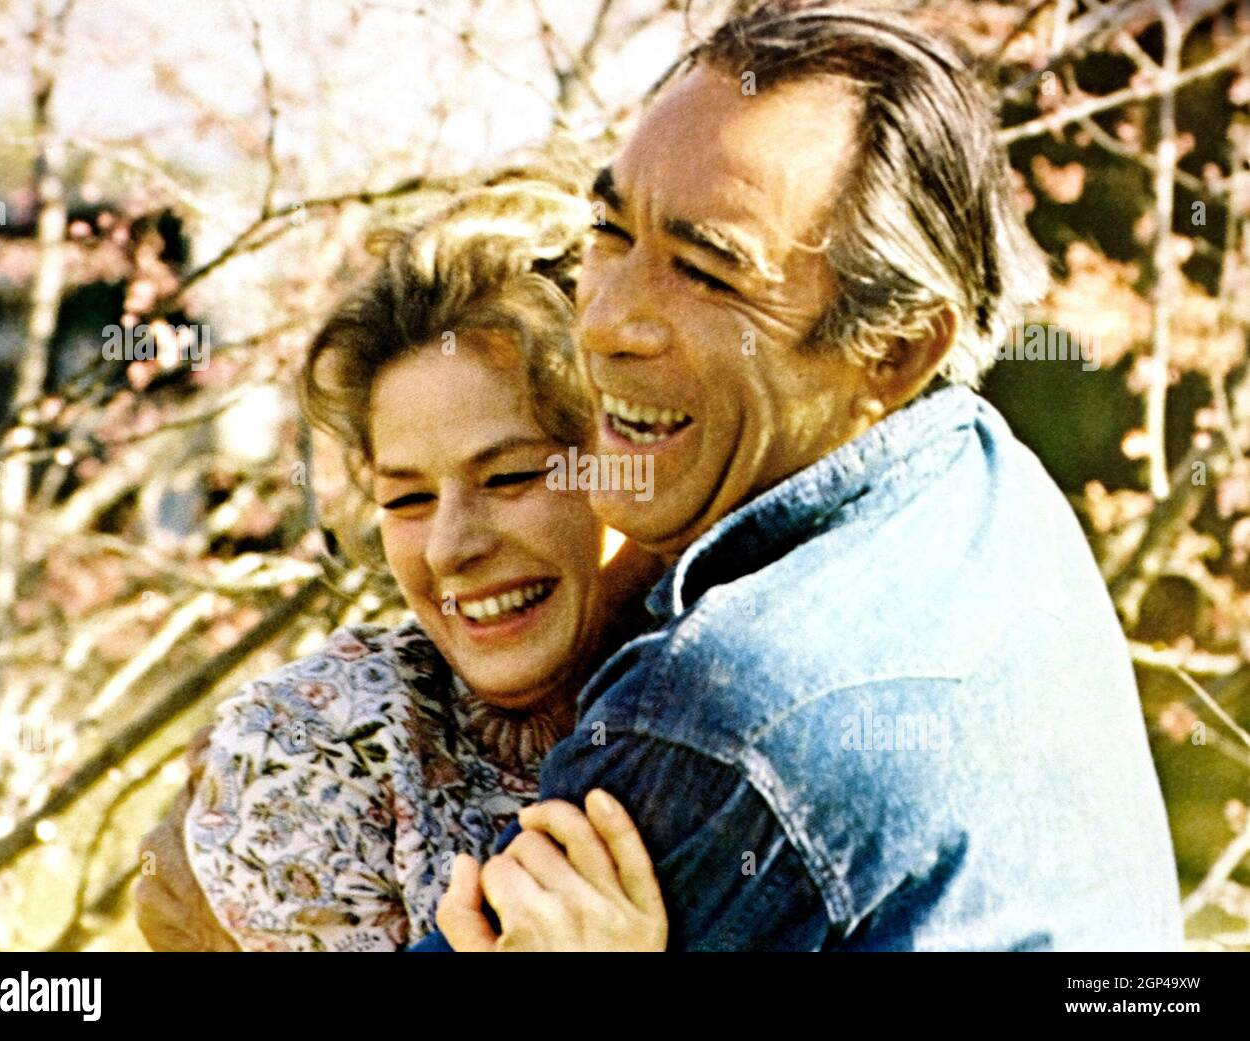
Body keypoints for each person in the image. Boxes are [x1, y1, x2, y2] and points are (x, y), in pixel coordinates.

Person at [422, 1, 1183, 952]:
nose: (607, 320)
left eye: (706, 271)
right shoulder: (985, 477)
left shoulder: (724, 710)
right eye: (611, 234)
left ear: (896, 349)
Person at [135, 173, 668, 952]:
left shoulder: (747, 695)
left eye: (511, 476)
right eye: (407, 500)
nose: (453, 546)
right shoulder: (322, 760)